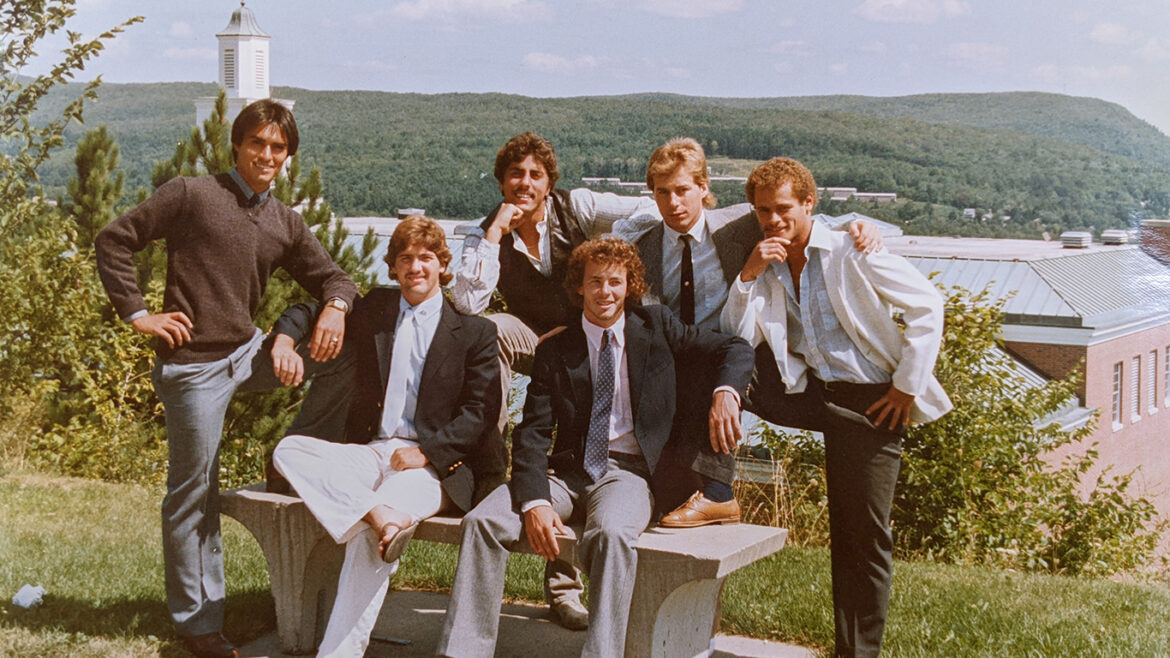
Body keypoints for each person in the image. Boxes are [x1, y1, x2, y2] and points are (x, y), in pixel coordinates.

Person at [94, 100, 358, 658]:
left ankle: (294, 454)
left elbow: (335, 276)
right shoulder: (190, 194)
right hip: (192, 365)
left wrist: (322, 314)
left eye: (278, 148)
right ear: (236, 145)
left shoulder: (282, 220)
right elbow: (114, 240)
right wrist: (140, 314)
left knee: (348, 352)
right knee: (194, 492)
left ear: (288, 157)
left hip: (248, 354)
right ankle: (199, 624)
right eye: (257, 143)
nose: (267, 155)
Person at [437, 237, 754, 657]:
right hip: (564, 475)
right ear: (579, 288)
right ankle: (462, 652)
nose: (605, 292)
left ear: (629, 286)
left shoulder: (657, 327)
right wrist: (534, 502)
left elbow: (735, 346)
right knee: (484, 521)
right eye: (595, 282)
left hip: (628, 474)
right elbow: (531, 434)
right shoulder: (555, 348)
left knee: (611, 534)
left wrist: (727, 391)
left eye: (615, 282)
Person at [721, 157, 952, 658]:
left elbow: (928, 306)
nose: (773, 219)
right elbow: (735, 335)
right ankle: (711, 491)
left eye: (783, 208)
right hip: (809, 394)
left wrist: (906, 388)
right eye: (763, 210)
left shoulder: (853, 249)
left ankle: (856, 652)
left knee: (860, 534)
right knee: (717, 371)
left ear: (809, 203)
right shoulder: (769, 259)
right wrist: (749, 272)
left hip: (872, 405)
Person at [269, 216, 505, 658]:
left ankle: (337, 653)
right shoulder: (377, 310)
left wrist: (427, 452)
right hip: (371, 452)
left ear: (443, 265)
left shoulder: (475, 333)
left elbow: (481, 414)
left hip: (434, 466)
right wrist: (284, 340)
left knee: (370, 540)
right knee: (289, 450)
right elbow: (310, 308)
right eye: (406, 259)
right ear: (393, 268)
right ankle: (375, 512)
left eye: (426, 258)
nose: (416, 266)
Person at [615, 137, 883, 525]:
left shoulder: (739, 224)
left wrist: (857, 224)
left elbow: (801, 219)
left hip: (734, 350)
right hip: (675, 360)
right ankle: (678, 494)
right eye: (662, 192)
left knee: (734, 374)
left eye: (683, 190)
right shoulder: (644, 247)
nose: (673, 203)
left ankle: (719, 494)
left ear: (703, 188)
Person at [451, 131, 658, 628]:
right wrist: (496, 234)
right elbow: (466, 303)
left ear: (549, 182)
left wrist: (605, 264)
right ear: (502, 181)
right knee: (488, 331)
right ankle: (488, 467)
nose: (525, 183)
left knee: (578, 448)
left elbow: (650, 209)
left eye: (535, 175)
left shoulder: (578, 208)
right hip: (536, 340)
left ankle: (564, 589)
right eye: (515, 174)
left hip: (589, 338)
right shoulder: (487, 231)